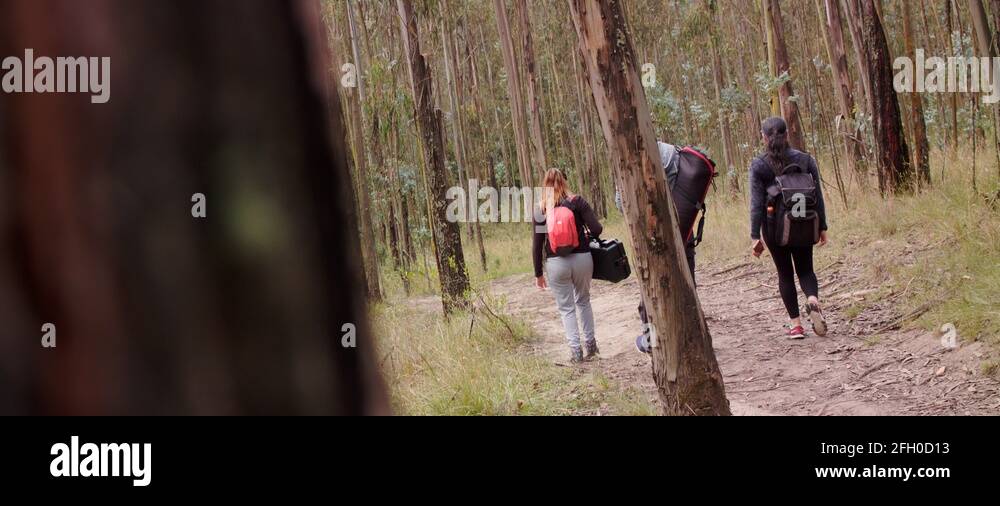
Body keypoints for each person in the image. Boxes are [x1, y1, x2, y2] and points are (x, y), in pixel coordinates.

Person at [749, 117, 829, 339]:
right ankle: (812, 299)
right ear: (787, 136)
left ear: (764, 137)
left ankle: (796, 326)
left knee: (785, 274)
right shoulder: (805, 159)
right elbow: (818, 196)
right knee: (806, 269)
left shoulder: (760, 165)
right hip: (804, 222)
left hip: (775, 229)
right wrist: (822, 226)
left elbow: (756, 203)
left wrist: (755, 235)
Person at [616, 142, 697, 354]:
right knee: (688, 285)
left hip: (650, 237)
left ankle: (651, 338)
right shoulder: (670, 151)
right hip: (683, 230)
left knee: (650, 291)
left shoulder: (624, 159)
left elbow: (620, 203)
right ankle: (692, 337)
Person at [533, 169, 604, 364]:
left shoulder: (541, 209)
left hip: (556, 264)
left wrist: (538, 273)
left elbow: (537, 244)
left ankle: (576, 352)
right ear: (564, 181)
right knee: (583, 301)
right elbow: (597, 229)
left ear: (544, 185)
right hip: (582, 259)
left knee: (566, 308)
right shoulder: (577, 201)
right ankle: (591, 345)